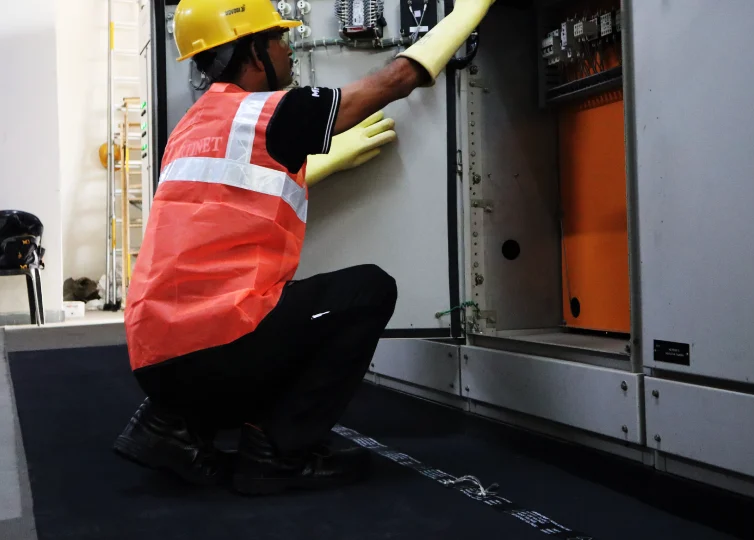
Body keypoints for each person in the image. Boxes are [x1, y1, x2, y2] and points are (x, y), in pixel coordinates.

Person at [113, 0, 496, 495]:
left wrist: (326, 163)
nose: (289, 50)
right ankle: (277, 453)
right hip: (214, 350)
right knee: (368, 290)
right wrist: (469, 10)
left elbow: (234, 192)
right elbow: (397, 81)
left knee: (267, 319)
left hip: (155, 362)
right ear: (253, 52)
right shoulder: (269, 112)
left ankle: (172, 426)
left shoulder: (191, 127)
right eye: (278, 39)